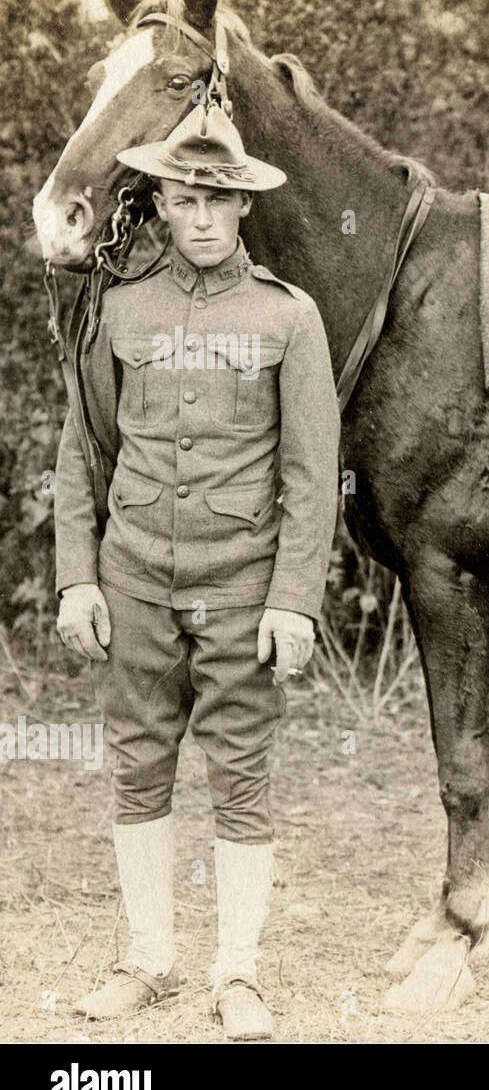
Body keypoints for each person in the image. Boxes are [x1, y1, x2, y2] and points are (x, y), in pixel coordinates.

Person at [54, 101, 340, 1040]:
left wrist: (294, 600)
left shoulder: (288, 319)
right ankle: (146, 958)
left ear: (244, 207)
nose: (205, 216)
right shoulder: (120, 308)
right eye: (186, 198)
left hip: (243, 587)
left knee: (241, 773)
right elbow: (82, 451)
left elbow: (310, 478)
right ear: (162, 204)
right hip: (132, 576)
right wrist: (77, 577)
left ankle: (237, 972)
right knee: (138, 765)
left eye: (220, 198)